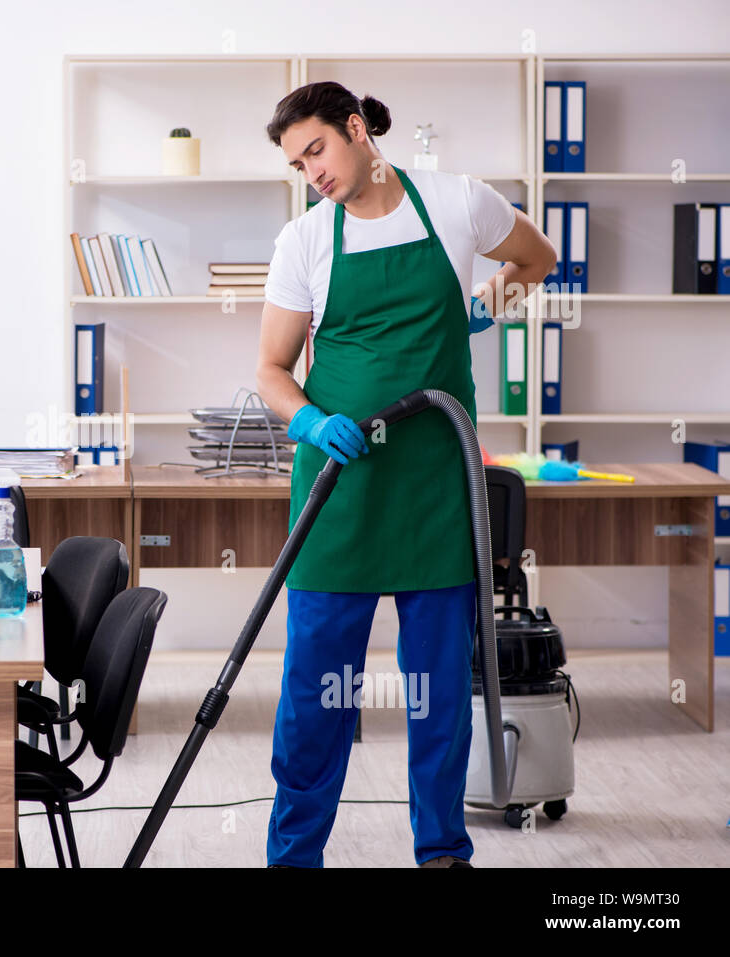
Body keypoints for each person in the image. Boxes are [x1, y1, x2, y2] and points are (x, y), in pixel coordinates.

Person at [255, 81, 557, 868]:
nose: (310, 171)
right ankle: (293, 857)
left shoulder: (458, 203)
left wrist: (495, 296)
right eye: (296, 163)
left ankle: (442, 852)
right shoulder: (307, 242)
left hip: (436, 486)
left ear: (356, 129)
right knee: (317, 699)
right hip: (340, 493)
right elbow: (271, 370)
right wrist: (311, 421)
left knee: (440, 695)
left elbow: (539, 256)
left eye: (316, 149)